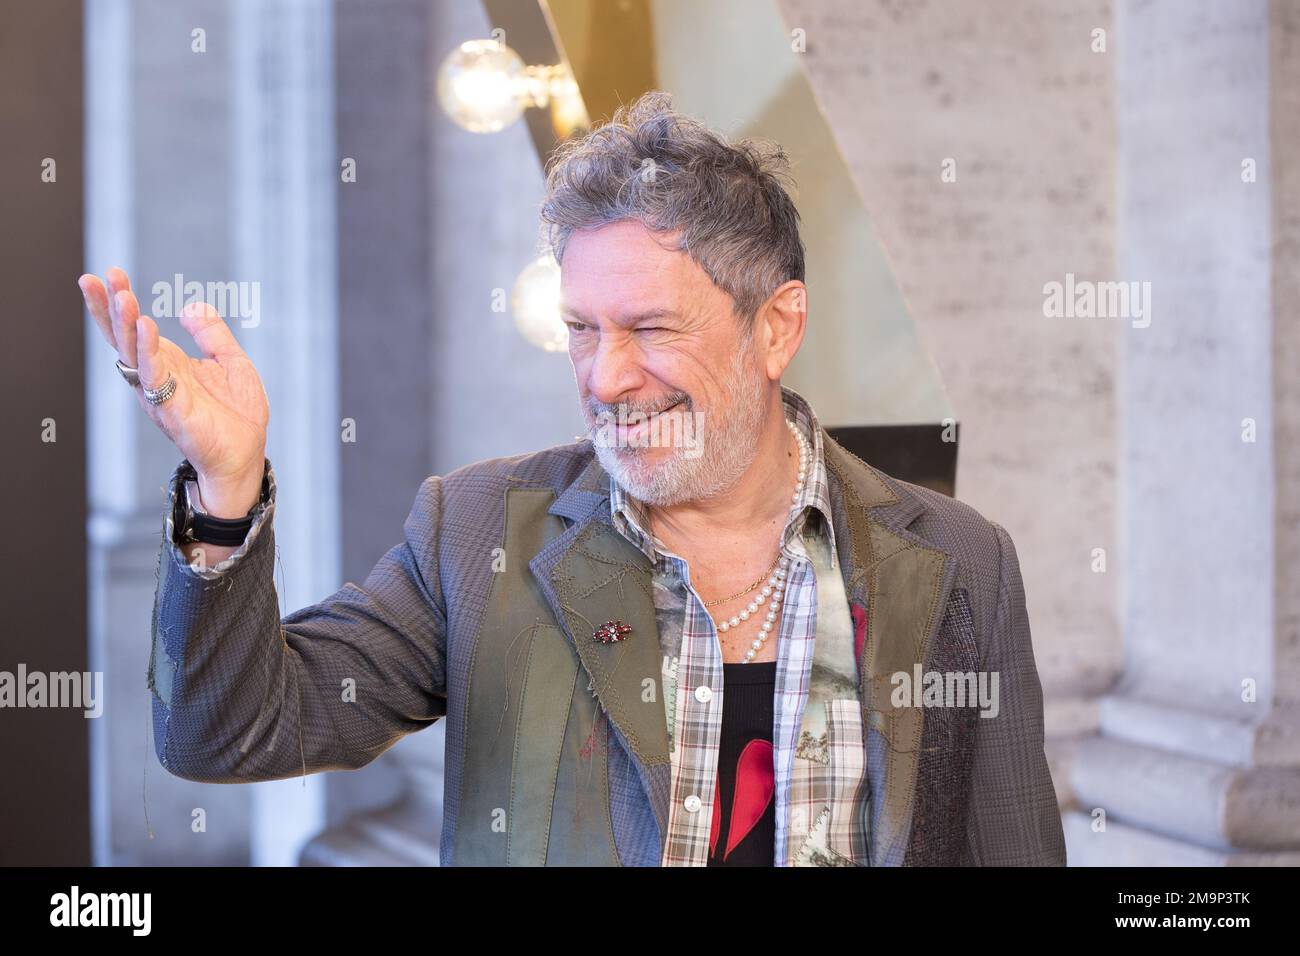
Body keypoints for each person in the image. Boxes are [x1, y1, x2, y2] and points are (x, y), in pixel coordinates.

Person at [77, 90, 1065, 867]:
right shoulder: (476, 531)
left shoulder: (958, 558)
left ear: (777, 326)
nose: (605, 375)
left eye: (650, 329)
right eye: (582, 329)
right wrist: (226, 490)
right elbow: (228, 733)